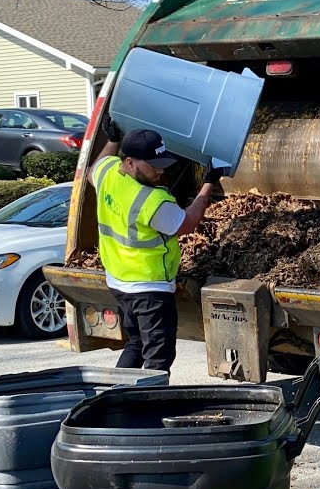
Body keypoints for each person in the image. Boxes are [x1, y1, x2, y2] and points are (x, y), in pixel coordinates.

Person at [89, 114, 223, 370]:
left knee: (136, 344)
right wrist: (208, 184)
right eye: (153, 165)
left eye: (162, 164)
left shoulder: (108, 173)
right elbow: (187, 223)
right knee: (158, 359)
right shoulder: (151, 202)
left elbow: (94, 170)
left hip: (118, 281)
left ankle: (117, 393)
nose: (160, 170)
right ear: (130, 163)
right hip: (149, 290)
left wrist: (112, 140)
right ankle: (150, 396)